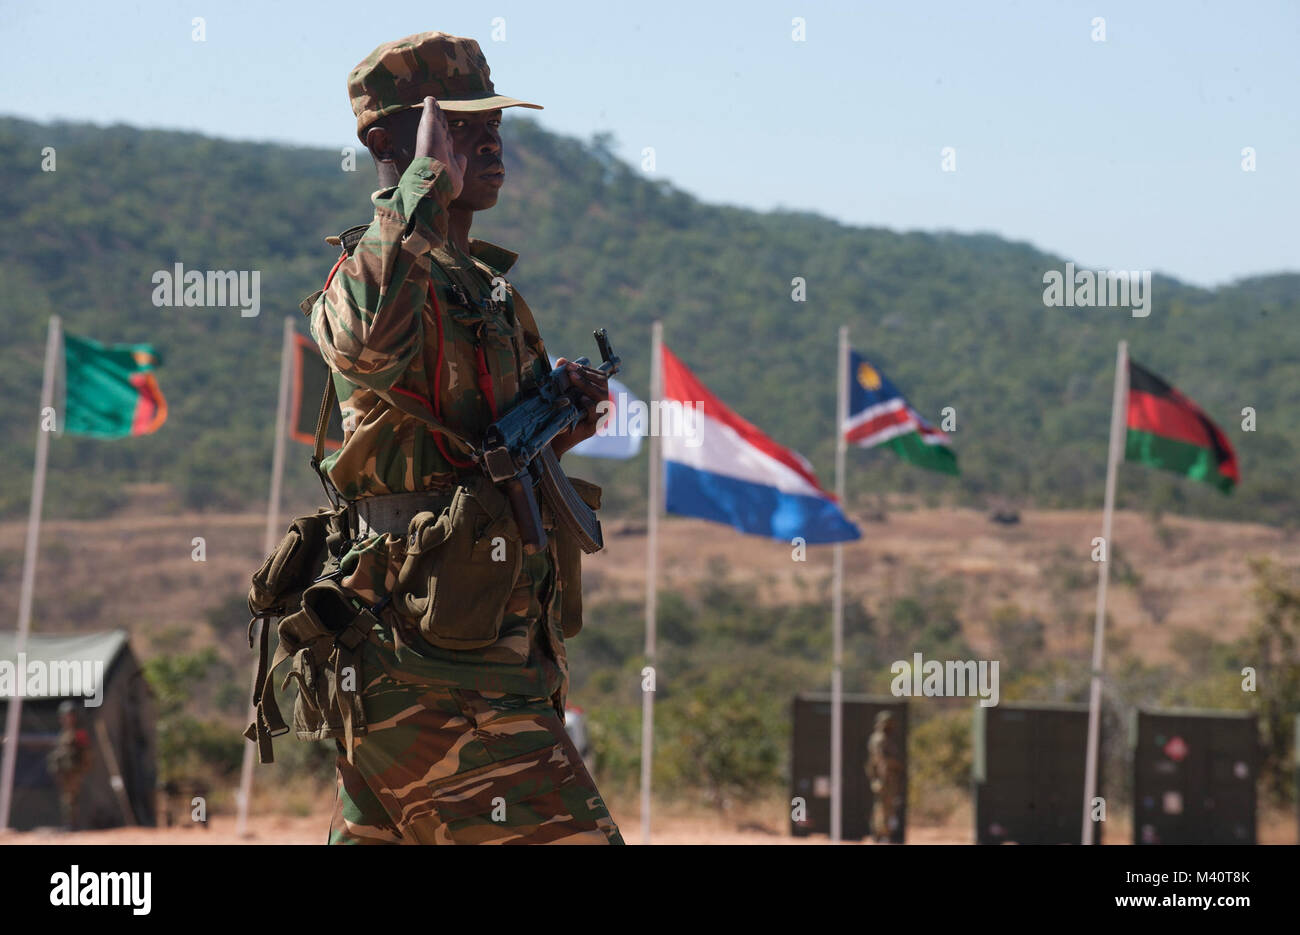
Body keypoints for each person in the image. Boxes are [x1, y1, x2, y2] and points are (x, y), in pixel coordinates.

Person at [307, 31, 622, 844]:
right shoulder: (371, 273)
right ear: (386, 142)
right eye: (453, 126)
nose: (487, 140)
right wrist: (419, 183)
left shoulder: (486, 288)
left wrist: (559, 424)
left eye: (493, 123)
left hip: (477, 645)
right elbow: (363, 342)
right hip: (427, 663)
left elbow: (471, 454)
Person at [47, 700, 92, 831]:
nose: (65, 719)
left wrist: (83, 768)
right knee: (67, 799)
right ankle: (70, 824)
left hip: (74, 771)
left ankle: (73, 825)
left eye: (68, 715)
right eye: (64, 716)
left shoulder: (79, 733)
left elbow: (86, 753)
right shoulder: (64, 733)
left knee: (71, 799)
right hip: (64, 772)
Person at [865, 710, 904, 843]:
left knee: (887, 807)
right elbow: (878, 760)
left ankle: (883, 834)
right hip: (883, 779)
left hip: (888, 779)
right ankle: (881, 835)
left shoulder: (885, 739)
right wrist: (876, 780)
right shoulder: (879, 739)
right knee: (882, 808)